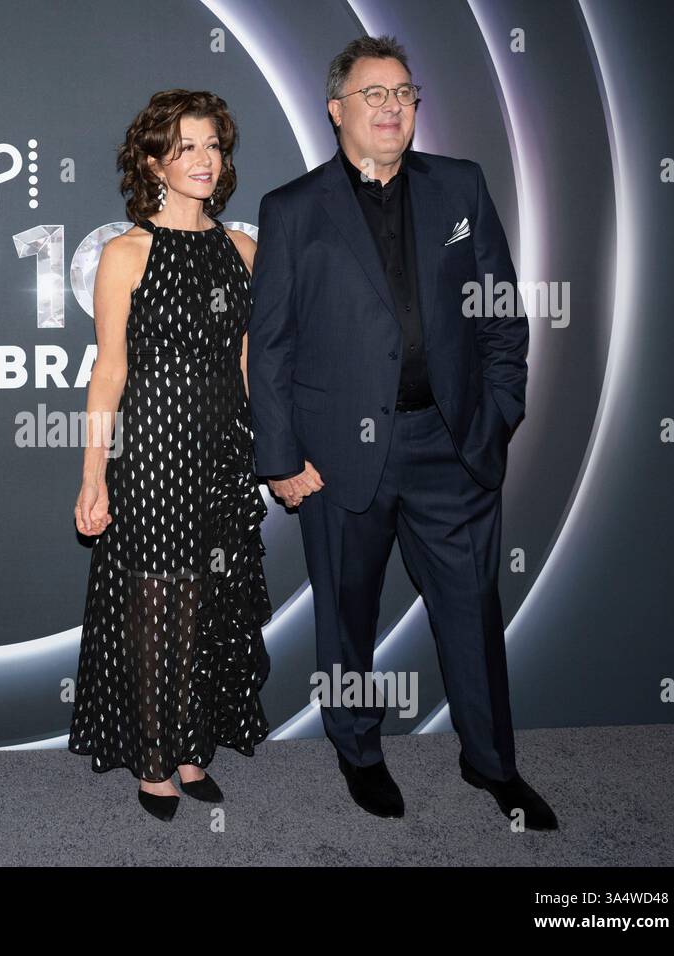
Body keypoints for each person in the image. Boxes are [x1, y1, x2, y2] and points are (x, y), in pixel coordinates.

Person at [247, 35, 557, 829]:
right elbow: (271, 343)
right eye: (373, 94)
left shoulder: (460, 185)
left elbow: (500, 313)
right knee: (347, 617)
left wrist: (496, 412)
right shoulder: (291, 209)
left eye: (403, 93)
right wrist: (280, 458)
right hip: (336, 458)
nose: (392, 107)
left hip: (449, 447)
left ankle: (492, 763)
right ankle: (359, 752)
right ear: (336, 110)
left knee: (473, 613)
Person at [69, 90, 274, 822]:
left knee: (212, 600)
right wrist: (94, 475)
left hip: (222, 450)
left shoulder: (243, 251)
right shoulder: (126, 253)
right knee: (160, 599)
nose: (203, 159)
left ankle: (193, 747)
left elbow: (253, 365)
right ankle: (155, 758)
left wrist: (276, 451)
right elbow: (109, 371)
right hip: (152, 446)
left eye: (212, 145)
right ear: (153, 160)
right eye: (184, 146)